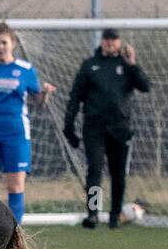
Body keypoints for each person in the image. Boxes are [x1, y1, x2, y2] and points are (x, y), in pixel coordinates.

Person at [62, 28, 151, 229]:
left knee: (118, 173)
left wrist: (133, 63)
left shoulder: (126, 66)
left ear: (119, 42)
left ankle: (114, 215)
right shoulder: (90, 65)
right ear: (102, 41)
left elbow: (145, 86)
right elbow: (75, 97)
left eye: (114, 39)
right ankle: (92, 213)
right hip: (94, 128)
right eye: (107, 39)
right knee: (94, 170)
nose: (110, 42)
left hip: (120, 128)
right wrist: (69, 126)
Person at [0, 22, 55, 223]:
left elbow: (38, 101)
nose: (0, 46)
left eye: (4, 42)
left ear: (13, 44)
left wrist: (45, 93)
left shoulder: (26, 70)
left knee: (15, 187)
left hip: (16, 133)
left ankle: (14, 235)